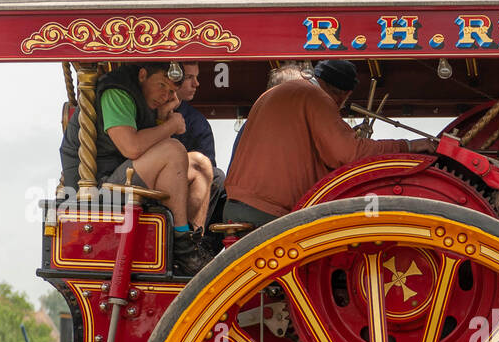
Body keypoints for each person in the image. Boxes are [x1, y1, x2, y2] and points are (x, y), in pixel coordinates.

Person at [223, 59, 434, 230]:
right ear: (343, 96)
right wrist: (407, 146)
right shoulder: (316, 97)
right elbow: (347, 153)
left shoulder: (273, 94)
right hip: (269, 212)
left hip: (237, 205)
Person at [58, 61, 213, 275]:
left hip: (119, 179)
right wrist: (171, 125)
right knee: (173, 149)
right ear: (142, 75)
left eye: (170, 91)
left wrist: (163, 114)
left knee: (200, 165)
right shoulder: (117, 93)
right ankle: (182, 247)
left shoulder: (145, 100)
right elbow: (132, 147)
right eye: (161, 85)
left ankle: (191, 244)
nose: (164, 94)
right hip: (96, 193)